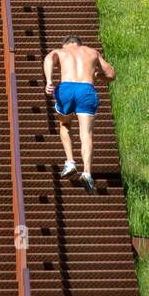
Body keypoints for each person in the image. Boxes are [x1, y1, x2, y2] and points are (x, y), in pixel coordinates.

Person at [43, 35, 115, 193]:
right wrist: (98, 76)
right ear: (79, 44)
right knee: (86, 134)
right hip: (86, 89)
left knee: (65, 124)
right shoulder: (92, 52)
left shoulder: (60, 52)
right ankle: (87, 172)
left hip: (66, 88)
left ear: (66, 44)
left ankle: (70, 162)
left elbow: (48, 58)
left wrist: (49, 81)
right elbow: (111, 74)